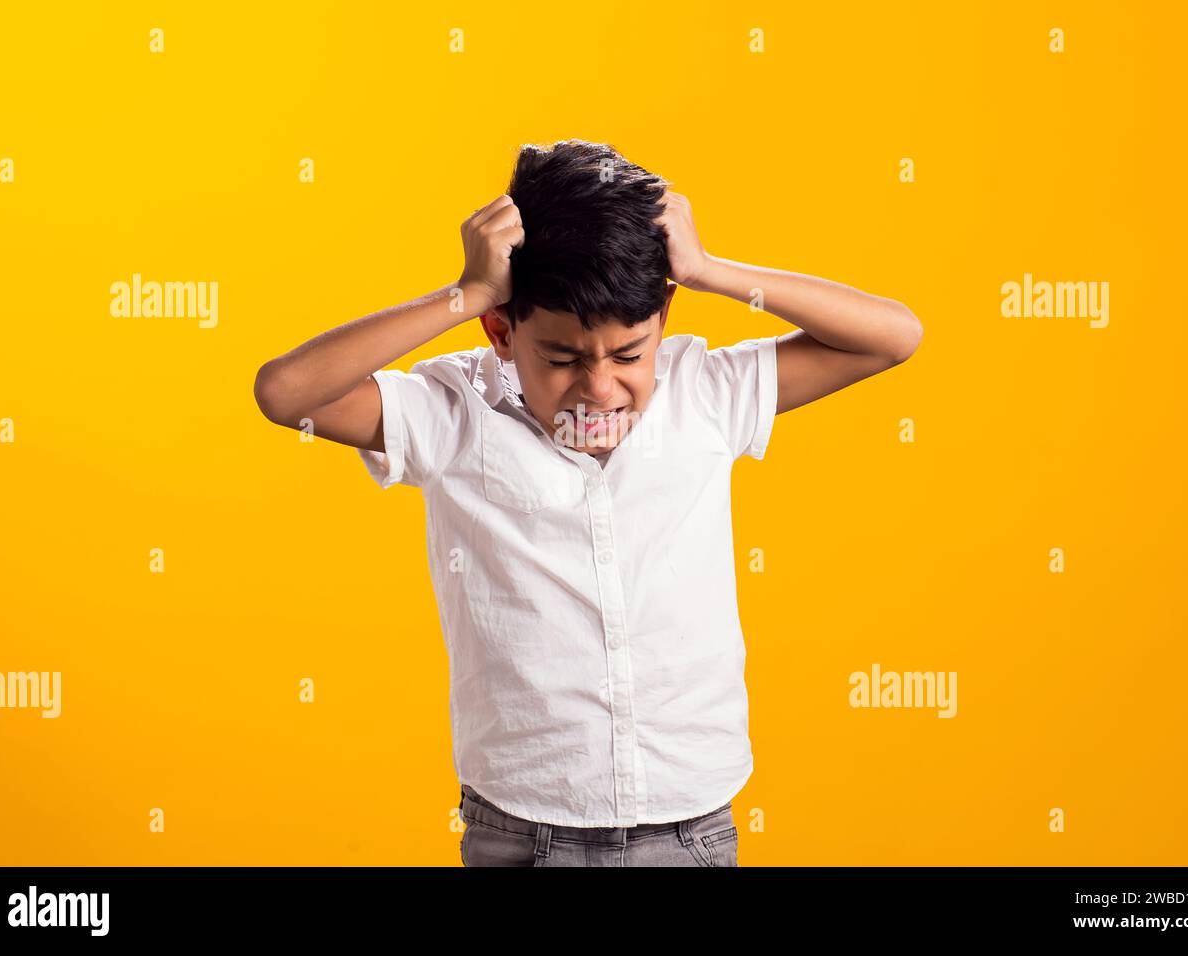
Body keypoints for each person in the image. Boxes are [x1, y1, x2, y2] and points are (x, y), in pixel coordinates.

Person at [253, 139, 922, 866]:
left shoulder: (705, 394)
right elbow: (286, 393)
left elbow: (893, 337)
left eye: (630, 356)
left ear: (663, 318)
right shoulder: (453, 415)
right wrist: (467, 292)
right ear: (502, 332)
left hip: (689, 828)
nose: (601, 389)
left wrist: (708, 270)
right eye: (564, 359)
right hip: (522, 834)